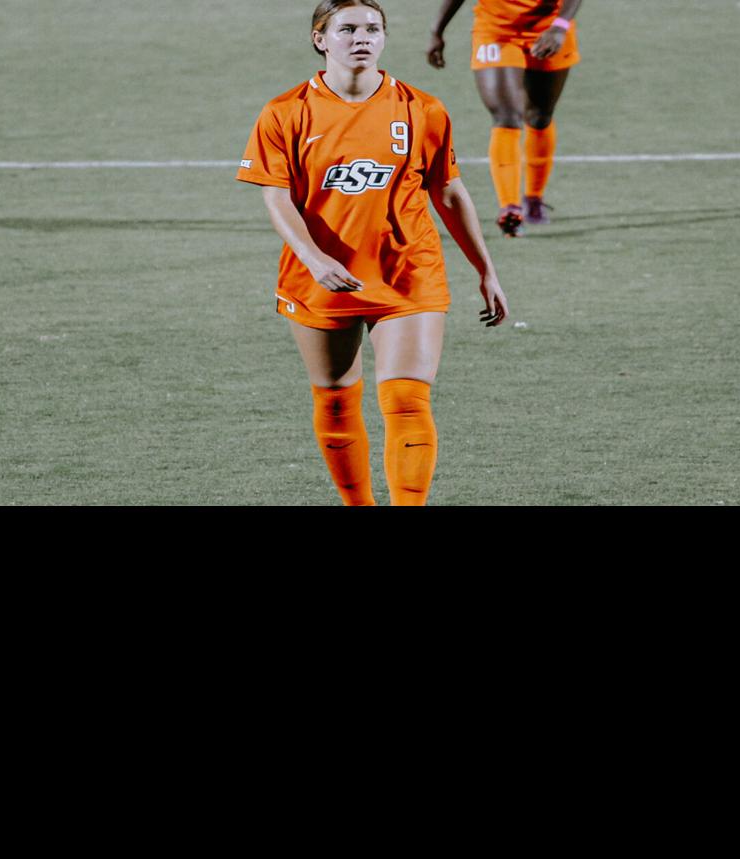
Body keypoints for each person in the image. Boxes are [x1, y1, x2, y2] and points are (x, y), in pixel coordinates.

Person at [237, 0, 509, 506]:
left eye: (372, 28)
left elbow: (448, 192)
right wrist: (316, 260)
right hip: (319, 277)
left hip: (408, 273)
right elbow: (275, 195)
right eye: (347, 29)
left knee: (407, 400)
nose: (361, 37)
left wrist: (485, 269)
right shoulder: (286, 112)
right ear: (321, 39)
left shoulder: (421, 109)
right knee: (337, 403)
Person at [427, 0, 583, 236]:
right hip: (496, 30)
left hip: (549, 27)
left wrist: (560, 26)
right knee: (506, 116)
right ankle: (510, 208)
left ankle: (533, 198)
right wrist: (437, 31)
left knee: (540, 116)